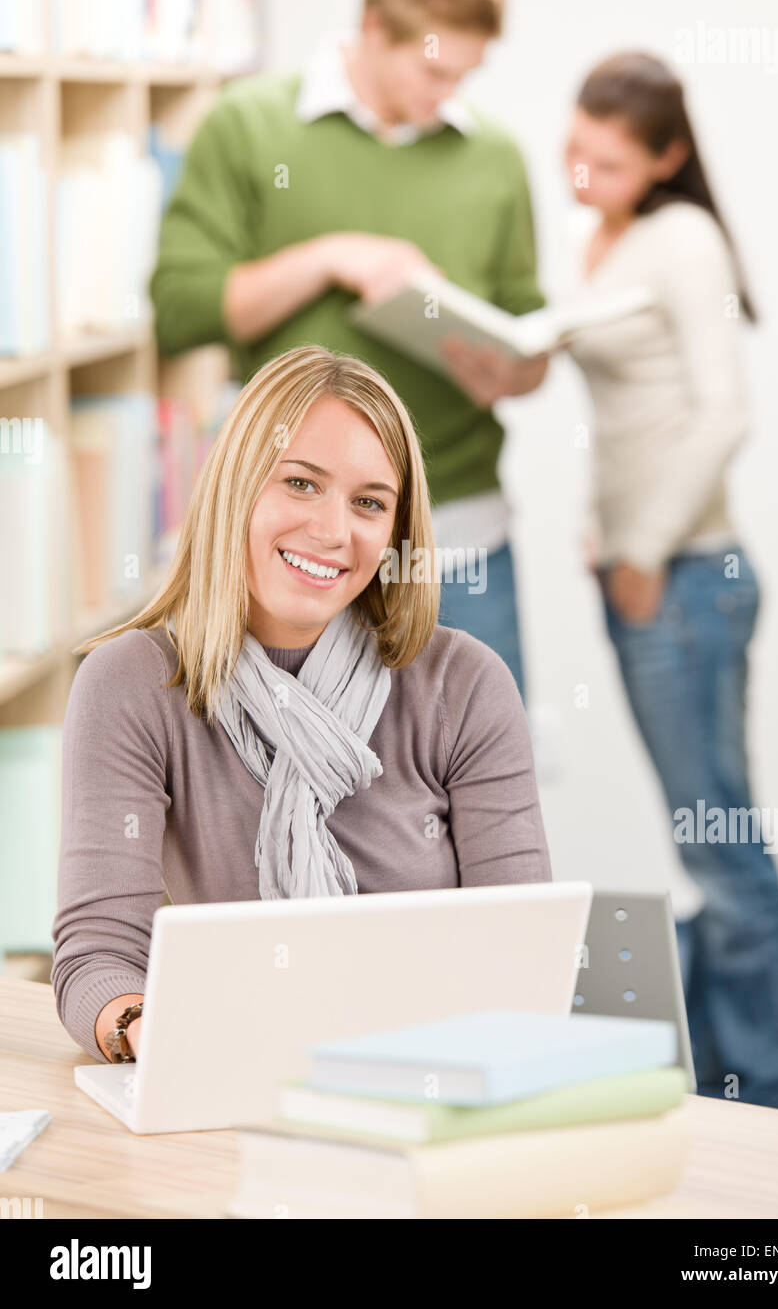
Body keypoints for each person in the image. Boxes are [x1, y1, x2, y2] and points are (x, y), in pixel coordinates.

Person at [50, 346, 551, 1065]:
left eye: (370, 503)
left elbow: (523, 952)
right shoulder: (129, 683)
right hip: (223, 1091)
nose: (332, 531)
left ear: (395, 534)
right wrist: (143, 1029)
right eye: (300, 483)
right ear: (237, 483)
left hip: (430, 1087)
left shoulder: (464, 686)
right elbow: (100, 955)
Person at [149, 0, 548, 701]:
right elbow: (182, 309)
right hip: (295, 540)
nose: (447, 92)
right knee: (282, 785)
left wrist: (518, 368)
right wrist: (330, 257)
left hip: (458, 538)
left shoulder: (495, 156)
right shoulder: (248, 125)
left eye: (465, 74)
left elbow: (525, 327)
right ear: (373, 28)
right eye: (433, 69)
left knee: (482, 784)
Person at [559, 51, 778, 1112]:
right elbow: (631, 416)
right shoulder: (609, 235)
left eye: (607, 162)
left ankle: (772, 1104)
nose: (581, 176)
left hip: (684, 582)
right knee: (701, 840)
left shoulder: (683, 237)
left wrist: (643, 544)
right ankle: (722, 1089)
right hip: (641, 572)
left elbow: (720, 411)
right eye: (571, 152)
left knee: (721, 848)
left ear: (666, 156)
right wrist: (598, 525)